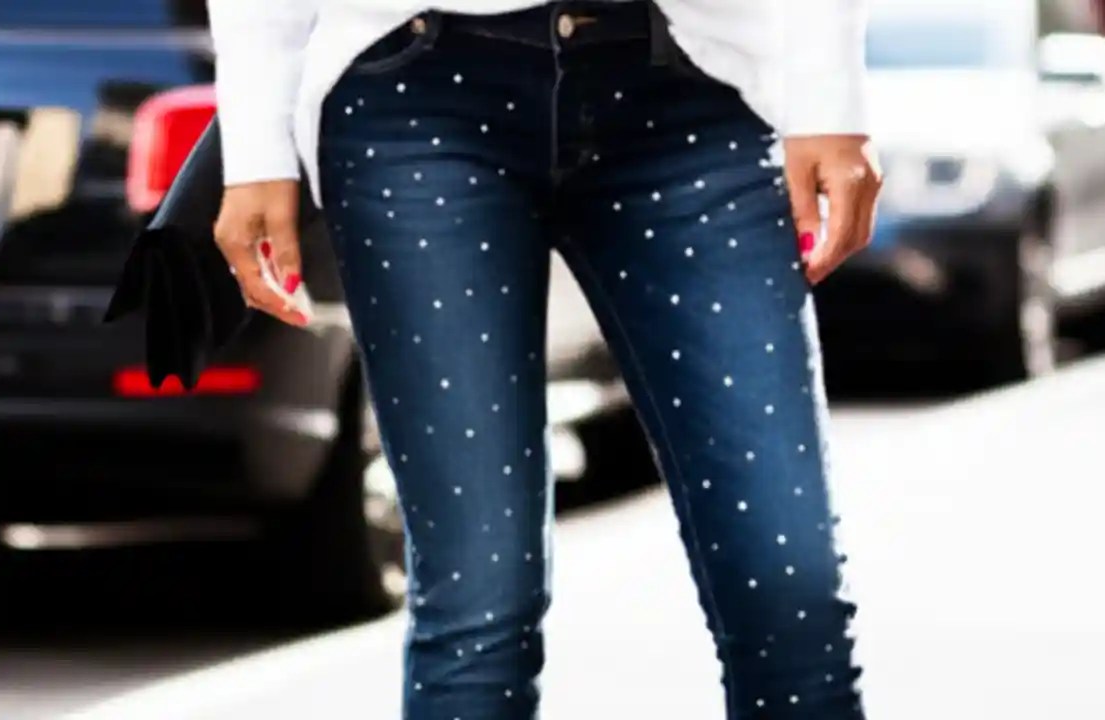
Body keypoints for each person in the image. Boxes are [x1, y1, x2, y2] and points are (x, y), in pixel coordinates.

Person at [206, 0, 882, 717]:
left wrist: (828, 98)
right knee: (478, 607)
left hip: (694, 87)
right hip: (415, 97)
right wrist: (255, 148)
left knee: (791, 593)